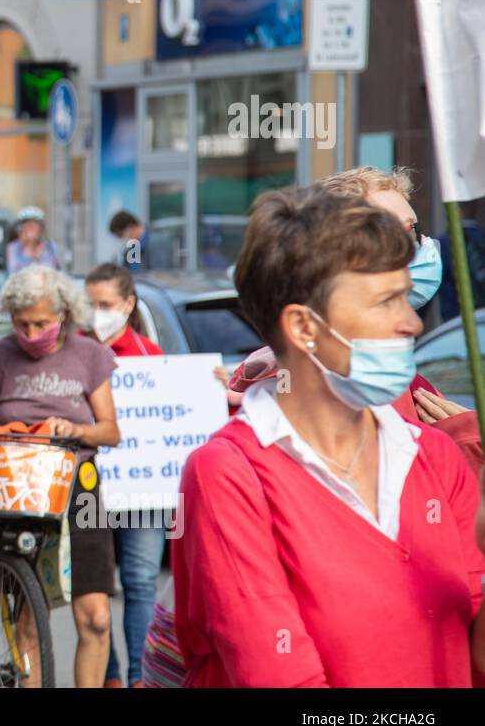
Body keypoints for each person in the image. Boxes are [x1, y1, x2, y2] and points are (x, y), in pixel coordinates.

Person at [174, 187, 485, 686]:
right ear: (303, 327)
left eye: (407, 297)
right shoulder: (231, 475)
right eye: (387, 301)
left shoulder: (435, 457)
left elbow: (472, 656)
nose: (411, 322)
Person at [228, 166, 482, 476]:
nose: (411, 247)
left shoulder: (397, 377)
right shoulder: (278, 391)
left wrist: (466, 441)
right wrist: (467, 442)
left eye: (412, 229)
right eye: (387, 231)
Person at [0, 264, 120, 687]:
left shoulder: (90, 355)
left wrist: (76, 430)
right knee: (28, 617)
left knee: (96, 617)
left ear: (65, 317)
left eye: (42, 323)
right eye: (23, 324)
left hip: (80, 487)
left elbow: (111, 431)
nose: (32, 333)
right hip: (20, 487)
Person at [84, 262, 164, 688]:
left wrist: (212, 388)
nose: (97, 313)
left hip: (143, 488)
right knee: (97, 584)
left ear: (128, 305)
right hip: (90, 488)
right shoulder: (74, 354)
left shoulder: (153, 357)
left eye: (106, 304)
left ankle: (140, 678)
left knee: (140, 580)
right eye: (90, 304)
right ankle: (112, 676)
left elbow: (177, 417)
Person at [5, 206, 62, 275]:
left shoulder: (51, 247)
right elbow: (12, 273)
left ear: (41, 228)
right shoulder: (14, 248)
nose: (30, 227)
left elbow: (58, 271)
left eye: (34, 224)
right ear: (20, 228)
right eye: (26, 224)